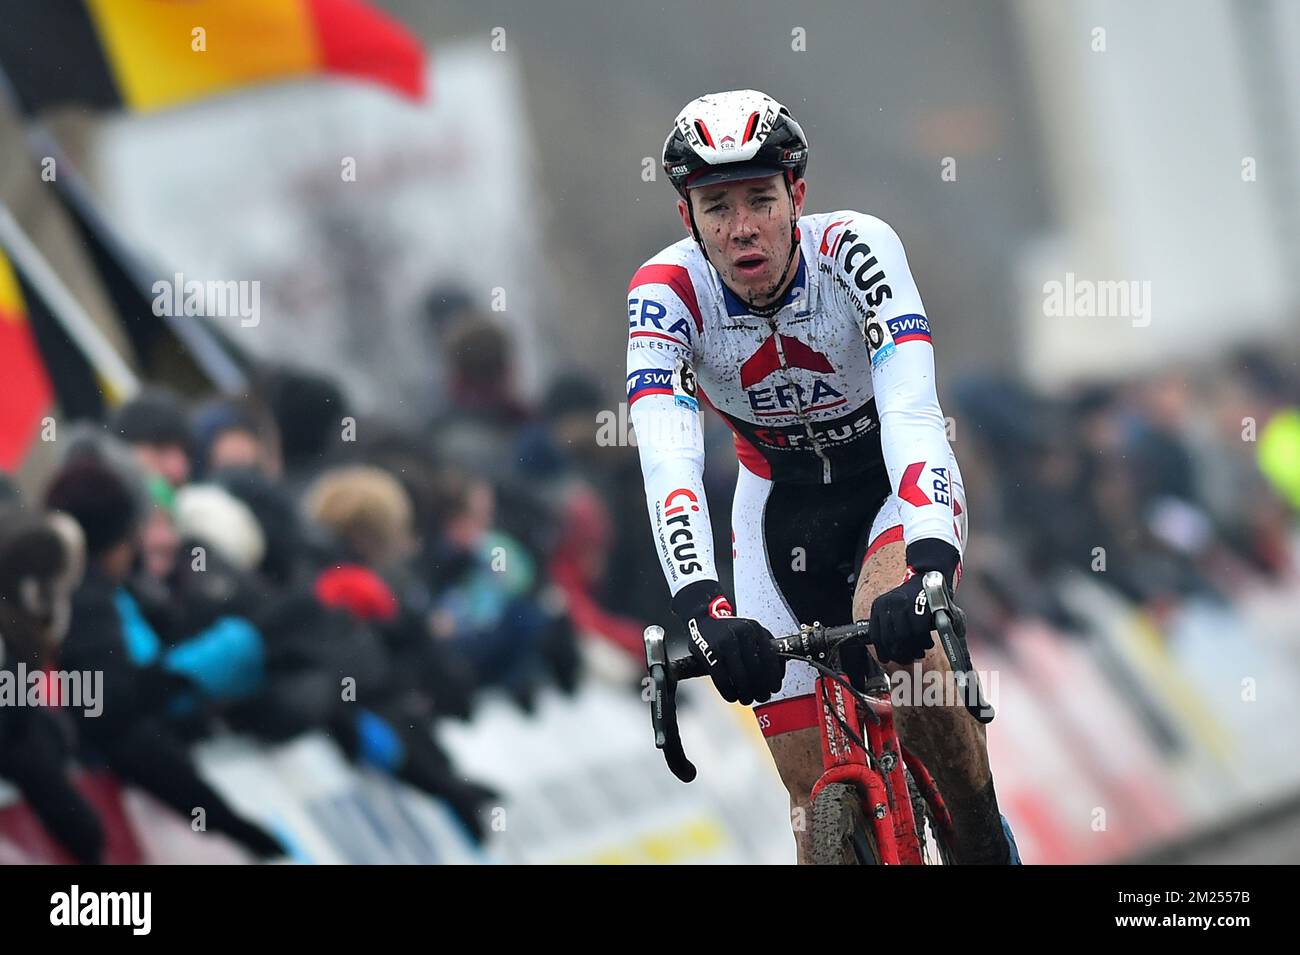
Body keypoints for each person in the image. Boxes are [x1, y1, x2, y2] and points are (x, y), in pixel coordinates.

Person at [626, 89, 1019, 863]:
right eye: (716, 206)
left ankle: (981, 840)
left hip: (886, 490)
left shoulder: (856, 250)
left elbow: (912, 408)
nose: (742, 227)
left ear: (796, 197)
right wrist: (704, 607)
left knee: (905, 648)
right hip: (774, 505)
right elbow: (666, 453)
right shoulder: (664, 293)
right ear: (688, 219)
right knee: (810, 804)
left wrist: (929, 566)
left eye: (761, 200)